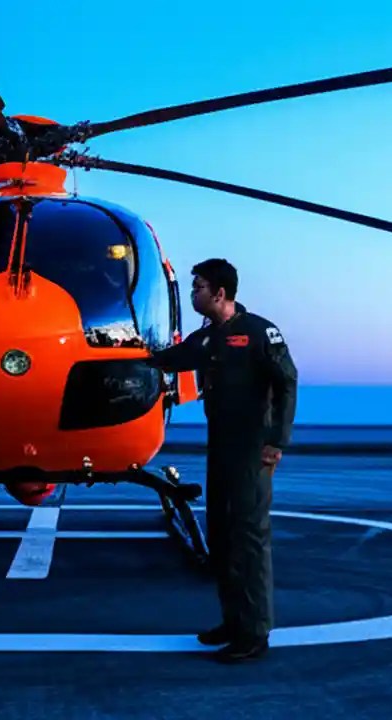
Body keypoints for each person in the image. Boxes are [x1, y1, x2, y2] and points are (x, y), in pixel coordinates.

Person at [146, 258, 298, 663]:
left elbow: (287, 382)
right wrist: (132, 354)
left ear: (220, 293)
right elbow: (173, 358)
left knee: (248, 538)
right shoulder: (208, 337)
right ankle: (233, 622)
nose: (193, 294)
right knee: (222, 536)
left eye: (198, 287)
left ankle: (255, 633)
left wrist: (276, 441)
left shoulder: (259, 332)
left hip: (252, 449)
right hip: (221, 446)